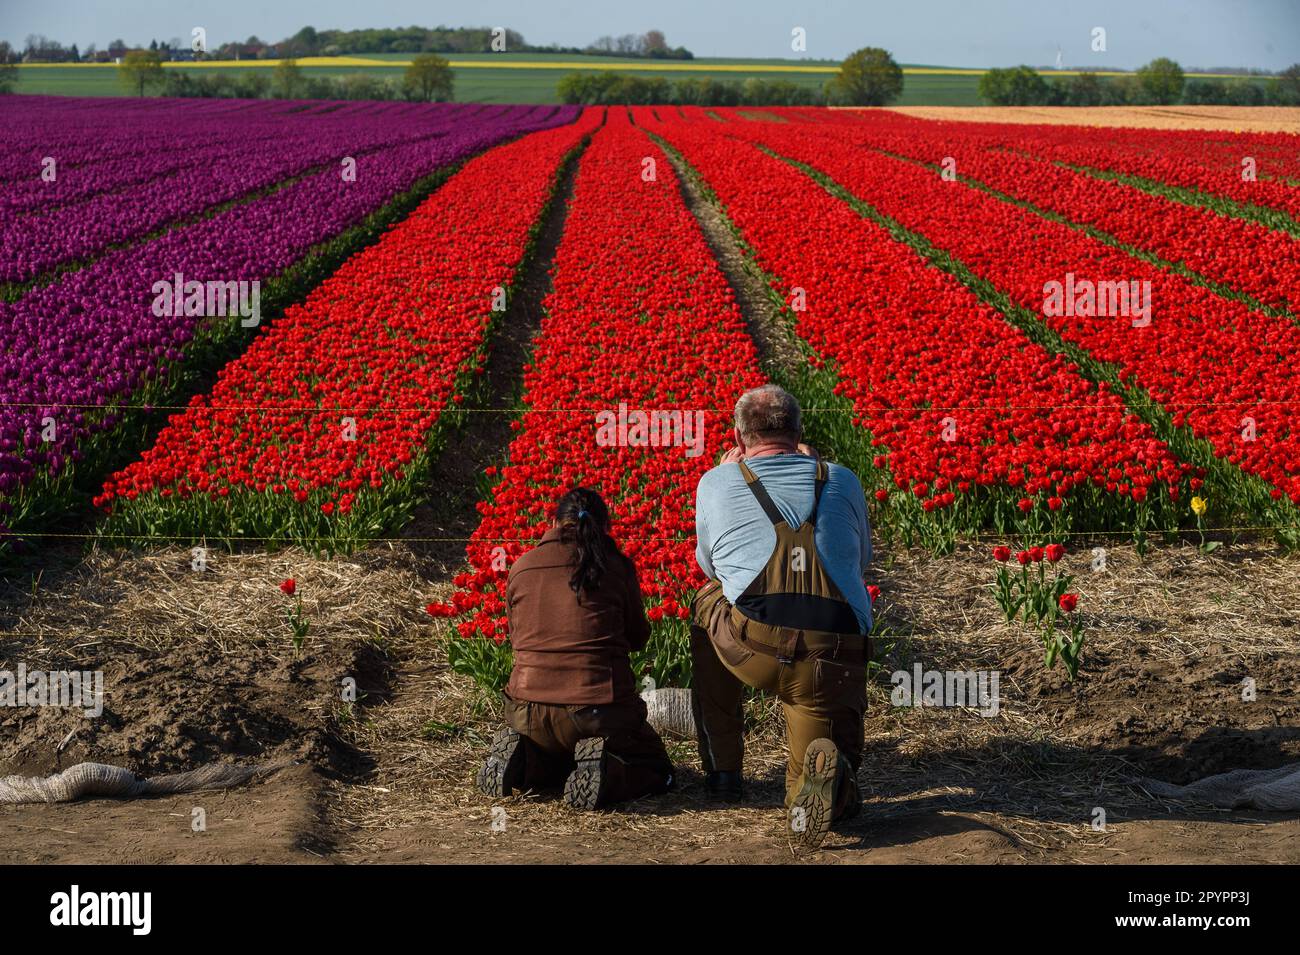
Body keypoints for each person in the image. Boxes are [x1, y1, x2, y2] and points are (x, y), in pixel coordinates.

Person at [691, 384, 873, 848]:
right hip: (831, 653)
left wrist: (728, 476)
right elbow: (861, 560)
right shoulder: (843, 478)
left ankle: (724, 772)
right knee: (816, 769)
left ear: (738, 434)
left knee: (707, 600)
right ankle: (824, 787)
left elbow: (712, 567)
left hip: (754, 645)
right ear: (800, 433)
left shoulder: (716, 480)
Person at [476, 488, 675, 810]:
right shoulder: (615, 566)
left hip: (525, 710)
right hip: (598, 712)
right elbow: (638, 638)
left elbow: (516, 637)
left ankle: (526, 761)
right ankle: (607, 771)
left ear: (553, 521)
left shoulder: (522, 566)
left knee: (558, 757)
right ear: (603, 525)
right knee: (657, 769)